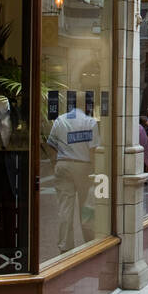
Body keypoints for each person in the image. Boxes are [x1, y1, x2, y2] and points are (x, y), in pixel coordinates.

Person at [46, 104, 100, 255]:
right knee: (86, 207)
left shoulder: (60, 120)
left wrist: (55, 162)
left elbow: (50, 144)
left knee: (65, 206)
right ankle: (89, 241)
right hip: (83, 166)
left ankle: (65, 245)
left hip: (63, 164)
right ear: (86, 106)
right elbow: (93, 150)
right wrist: (96, 171)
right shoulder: (90, 122)